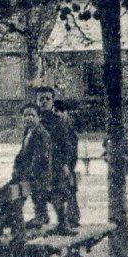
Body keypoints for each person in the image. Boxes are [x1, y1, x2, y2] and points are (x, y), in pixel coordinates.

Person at [0, 104, 54, 236]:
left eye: (32, 115)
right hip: (25, 176)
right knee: (2, 195)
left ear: (39, 117)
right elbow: (22, 155)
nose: (28, 118)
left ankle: (2, 228)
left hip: (36, 178)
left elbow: (39, 159)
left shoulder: (42, 134)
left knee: (9, 196)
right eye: (25, 115)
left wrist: (24, 176)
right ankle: (0, 225)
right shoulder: (28, 132)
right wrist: (16, 169)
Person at [34, 86, 81, 232]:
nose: (44, 102)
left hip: (56, 164)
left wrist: (66, 164)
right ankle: (41, 215)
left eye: (48, 99)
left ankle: (67, 220)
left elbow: (66, 145)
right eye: (41, 99)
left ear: (52, 101)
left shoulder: (60, 122)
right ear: (36, 101)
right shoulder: (33, 121)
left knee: (59, 189)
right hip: (39, 165)